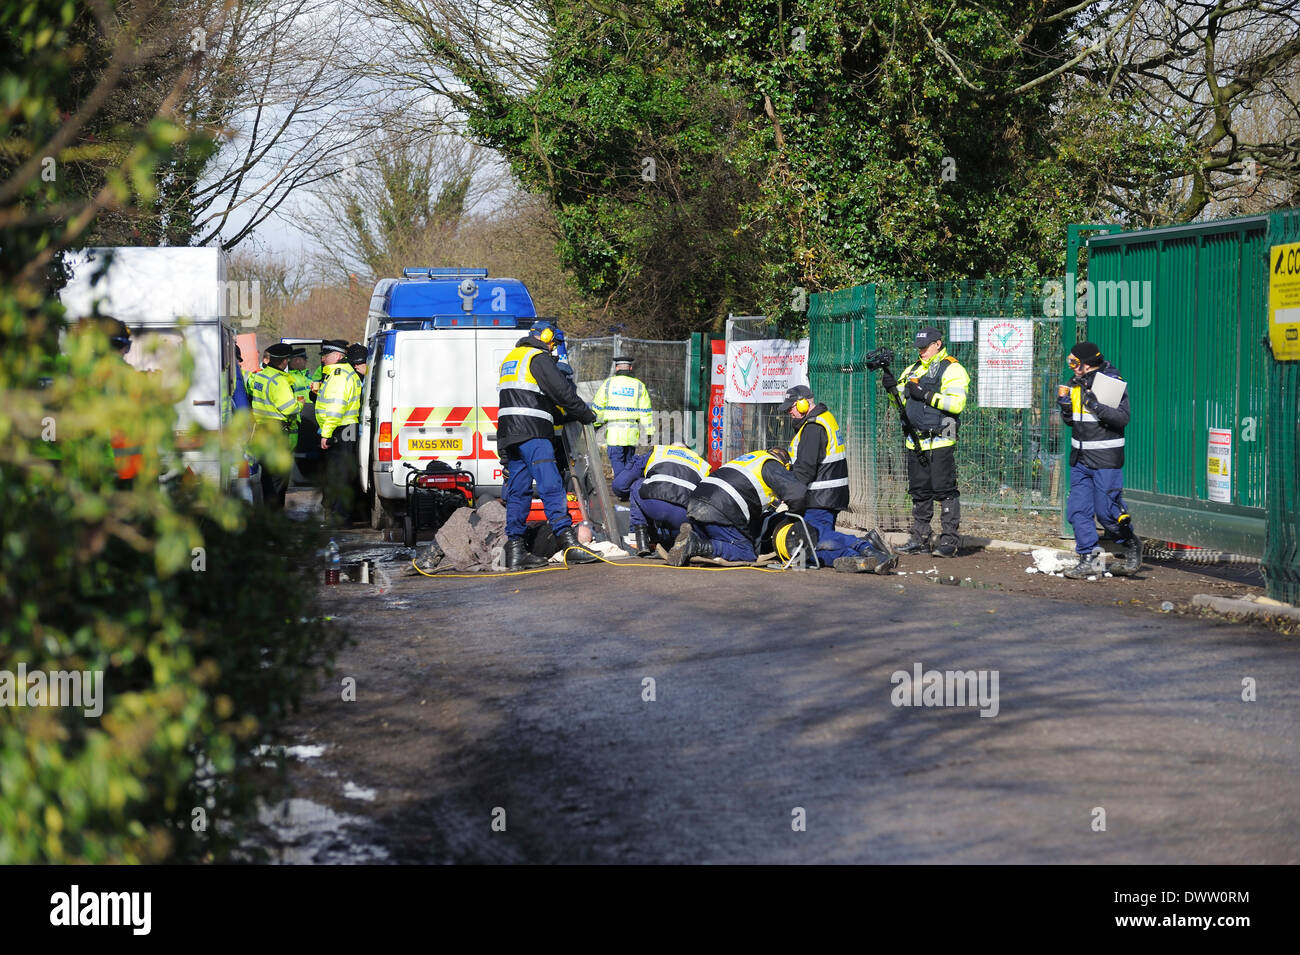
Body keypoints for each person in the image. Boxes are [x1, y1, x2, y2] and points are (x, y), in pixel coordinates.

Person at [497, 320, 601, 568]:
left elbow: (531, 399)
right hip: (533, 433)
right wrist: (586, 414)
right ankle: (568, 543)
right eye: (553, 342)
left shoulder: (511, 359)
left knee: (518, 491)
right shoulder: (538, 358)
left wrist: (564, 414)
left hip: (511, 436)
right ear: (545, 337)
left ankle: (516, 551)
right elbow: (562, 393)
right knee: (551, 485)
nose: (554, 348)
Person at [777, 384, 897, 574]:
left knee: (813, 541)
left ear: (802, 404)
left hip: (819, 498)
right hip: (827, 496)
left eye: (791, 407)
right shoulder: (824, 419)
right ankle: (857, 557)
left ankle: (863, 544)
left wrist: (787, 495)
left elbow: (804, 471)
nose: (789, 413)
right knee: (813, 548)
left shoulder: (813, 427)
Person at [881, 326, 970, 557]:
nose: (921, 351)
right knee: (920, 492)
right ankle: (920, 538)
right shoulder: (911, 370)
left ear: (938, 344)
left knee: (945, 490)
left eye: (925, 347)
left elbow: (956, 405)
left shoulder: (953, 369)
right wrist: (891, 389)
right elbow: (898, 404)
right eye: (919, 348)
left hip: (942, 438)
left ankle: (949, 540)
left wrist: (926, 395)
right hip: (915, 441)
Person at [1058, 341, 1142, 578]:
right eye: (1070, 362)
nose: (1072, 367)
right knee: (1077, 511)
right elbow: (1075, 422)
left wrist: (1097, 406)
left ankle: (1131, 544)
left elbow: (1122, 418)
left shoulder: (1110, 383)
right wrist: (1065, 409)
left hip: (1105, 458)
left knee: (1106, 512)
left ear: (1087, 364)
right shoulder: (1076, 384)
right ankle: (1088, 561)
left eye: (1075, 362)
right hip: (1081, 458)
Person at [668, 448, 807, 566]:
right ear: (786, 466)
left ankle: (693, 537)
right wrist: (793, 518)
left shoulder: (750, 459)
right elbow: (797, 493)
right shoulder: (773, 465)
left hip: (696, 501)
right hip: (720, 507)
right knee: (745, 552)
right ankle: (696, 545)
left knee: (716, 536)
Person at [612, 443, 711, 557]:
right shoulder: (702, 463)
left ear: (669, 447)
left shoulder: (659, 452)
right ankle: (678, 542)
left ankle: (641, 541)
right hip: (684, 514)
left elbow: (620, 485)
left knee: (637, 485)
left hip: (655, 505)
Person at [246, 342, 300, 509]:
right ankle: (276, 518)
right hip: (276, 432)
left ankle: (269, 515)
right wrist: (300, 404)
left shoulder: (261, 376)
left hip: (262, 430)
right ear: (284, 362)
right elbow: (289, 408)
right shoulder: (279, 381)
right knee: (279, 478)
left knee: (268, 477)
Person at [317, 339, 362, 523]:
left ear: (337, 356)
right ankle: (339, 513)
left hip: (339, 429)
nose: (323, 360)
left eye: (326, 356)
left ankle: (338, 515)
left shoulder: (339, 375)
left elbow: (336, 408)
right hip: (345, 428)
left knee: (338, 474)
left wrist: (326, 433)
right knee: (342, 472)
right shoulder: (342, 373)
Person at [592, 355, 653, 474]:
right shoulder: (639, 385)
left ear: (616, 368)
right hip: (631, 433)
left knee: (617, 461)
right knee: (629, 463)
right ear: (630, 368)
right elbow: (645, 411)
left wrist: (596, 424)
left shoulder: (608, 384)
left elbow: (598, 407)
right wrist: (649, 431)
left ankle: (621, 487)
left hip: (614, 433)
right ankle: (627, 487)